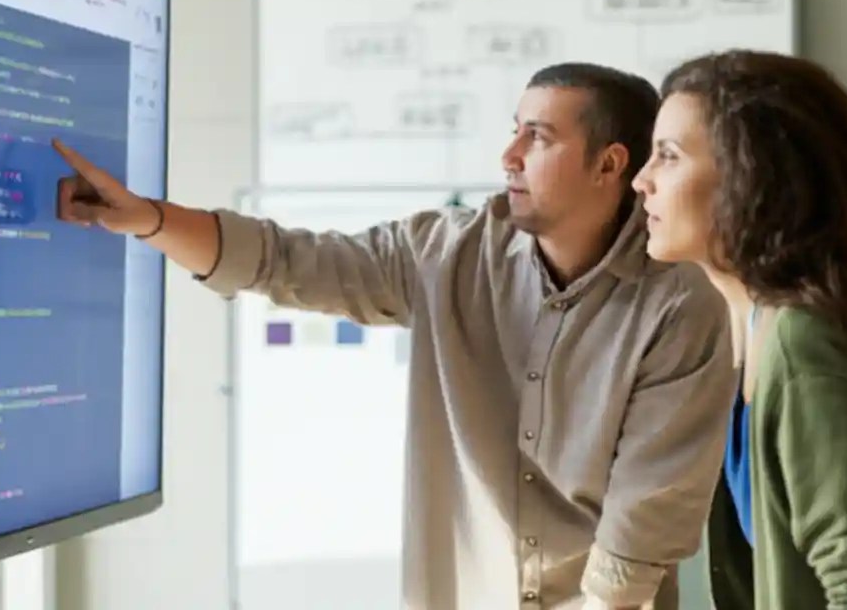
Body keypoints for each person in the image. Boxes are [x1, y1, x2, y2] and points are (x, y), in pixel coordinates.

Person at [52, 62, 736, 610]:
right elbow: (287, 260)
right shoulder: (446, 250)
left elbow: (646, 516)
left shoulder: (680, 303)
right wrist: (147, 218)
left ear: (610, 165)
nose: (509, 155)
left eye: (539, 137)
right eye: (514, 131)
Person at [630, 50, 847, 610]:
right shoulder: (756, 326)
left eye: (669, 157)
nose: (642, 181)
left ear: (748, 175)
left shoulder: (805, 343)